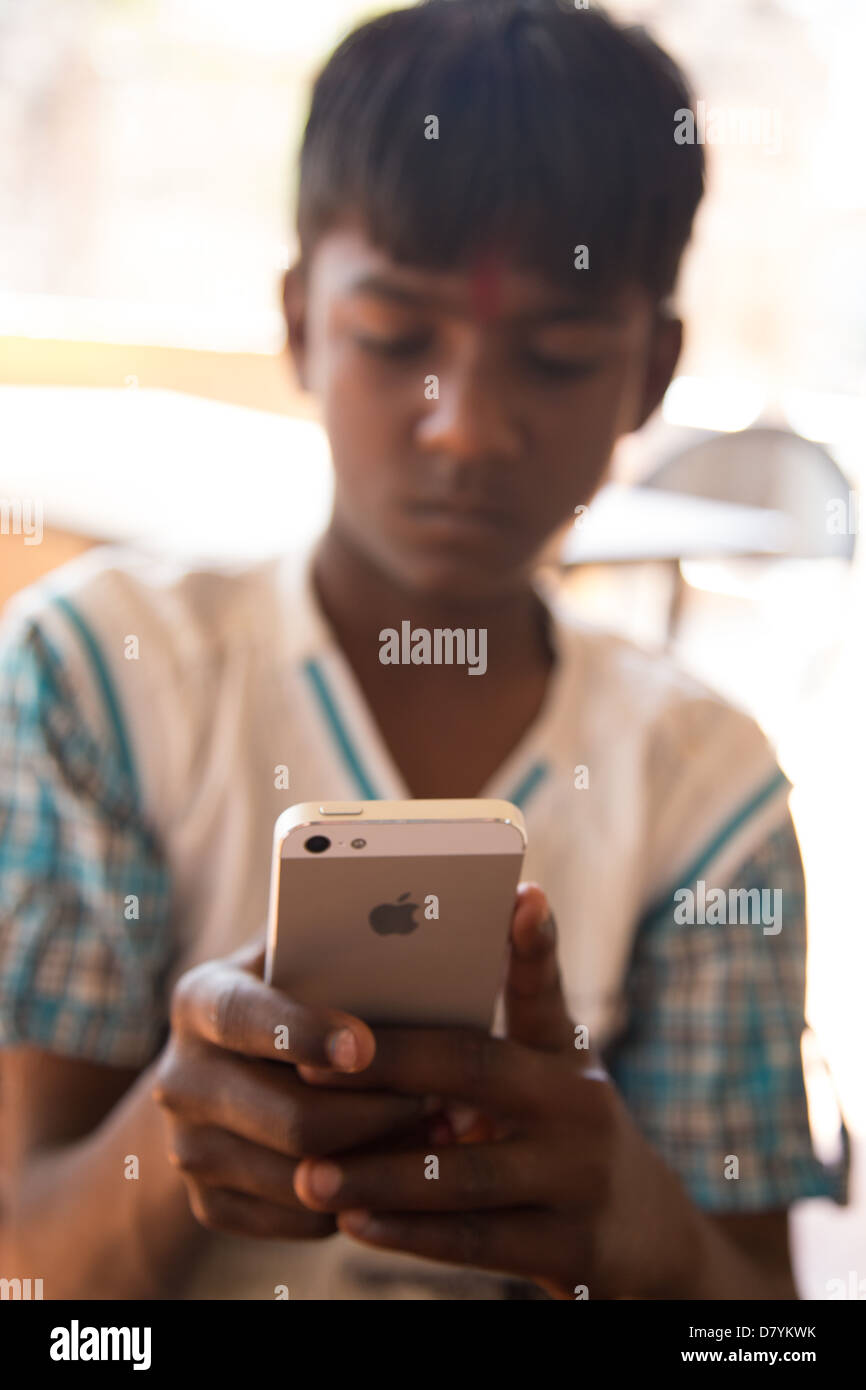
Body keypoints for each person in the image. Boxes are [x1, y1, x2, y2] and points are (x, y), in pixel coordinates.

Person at [0, 0, 846, 1300]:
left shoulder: (702, 793)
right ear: (297, 320)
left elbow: (756, 1319)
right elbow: (31, 1269)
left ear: (654, 371)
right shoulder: (96, 681)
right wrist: (175, 1145)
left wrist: (627, 1210)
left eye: (555, 357)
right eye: (396, 341)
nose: (465, 428)